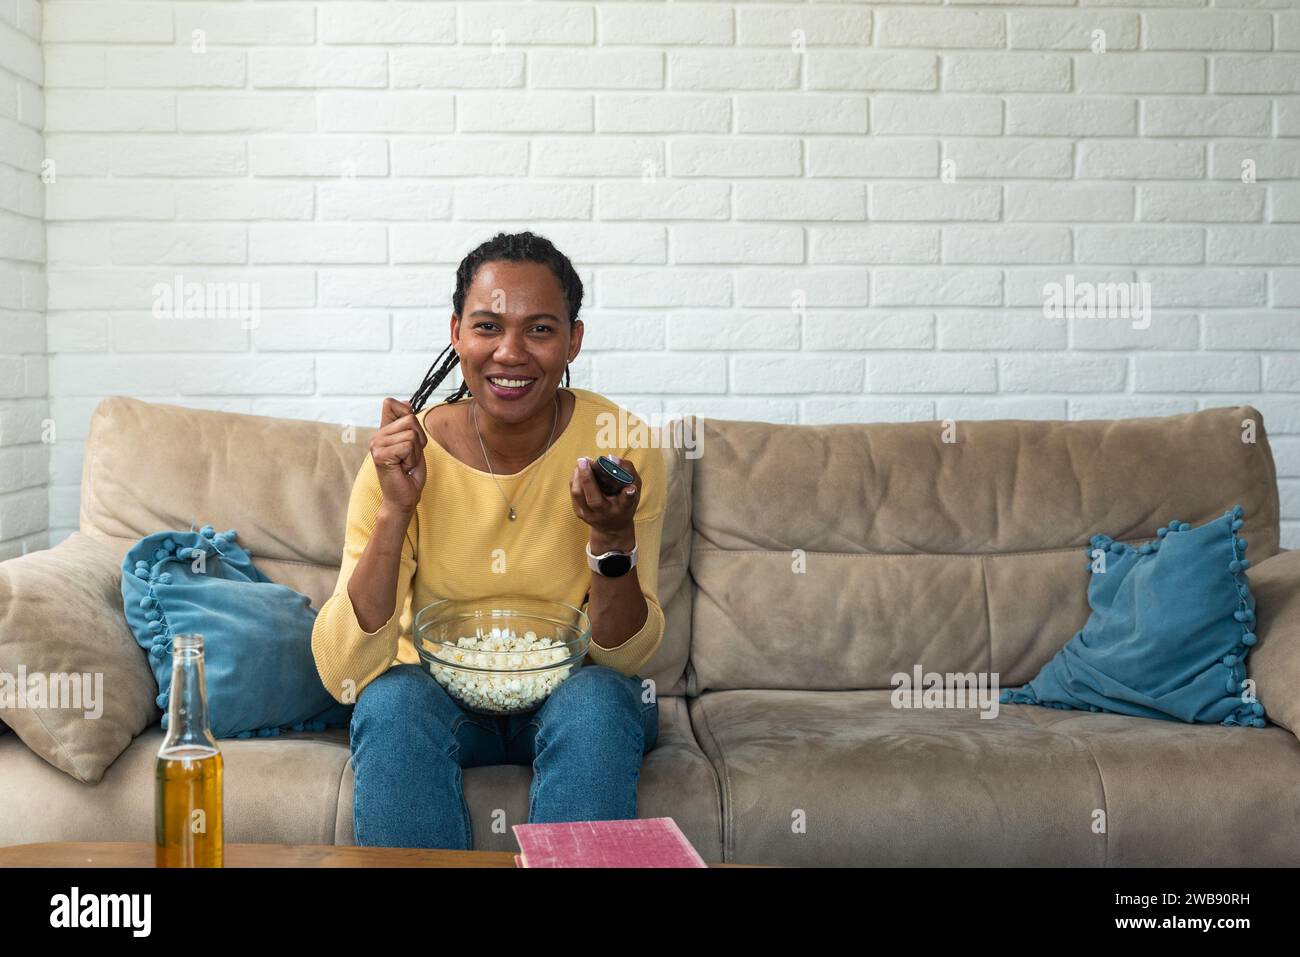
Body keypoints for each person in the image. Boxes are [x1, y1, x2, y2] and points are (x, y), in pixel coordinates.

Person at [310, 230, 667, 849]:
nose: (509, 353)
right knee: (390, 702)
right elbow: (342, 668)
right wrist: (397, 510)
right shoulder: (402, 454)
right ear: (456, 334)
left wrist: (611, 535)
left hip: (570, 690)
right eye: (487, 327)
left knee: (602, 698)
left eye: (540, 329)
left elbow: (624, 658)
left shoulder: (621, 444)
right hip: (438, 695)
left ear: (573, 341)